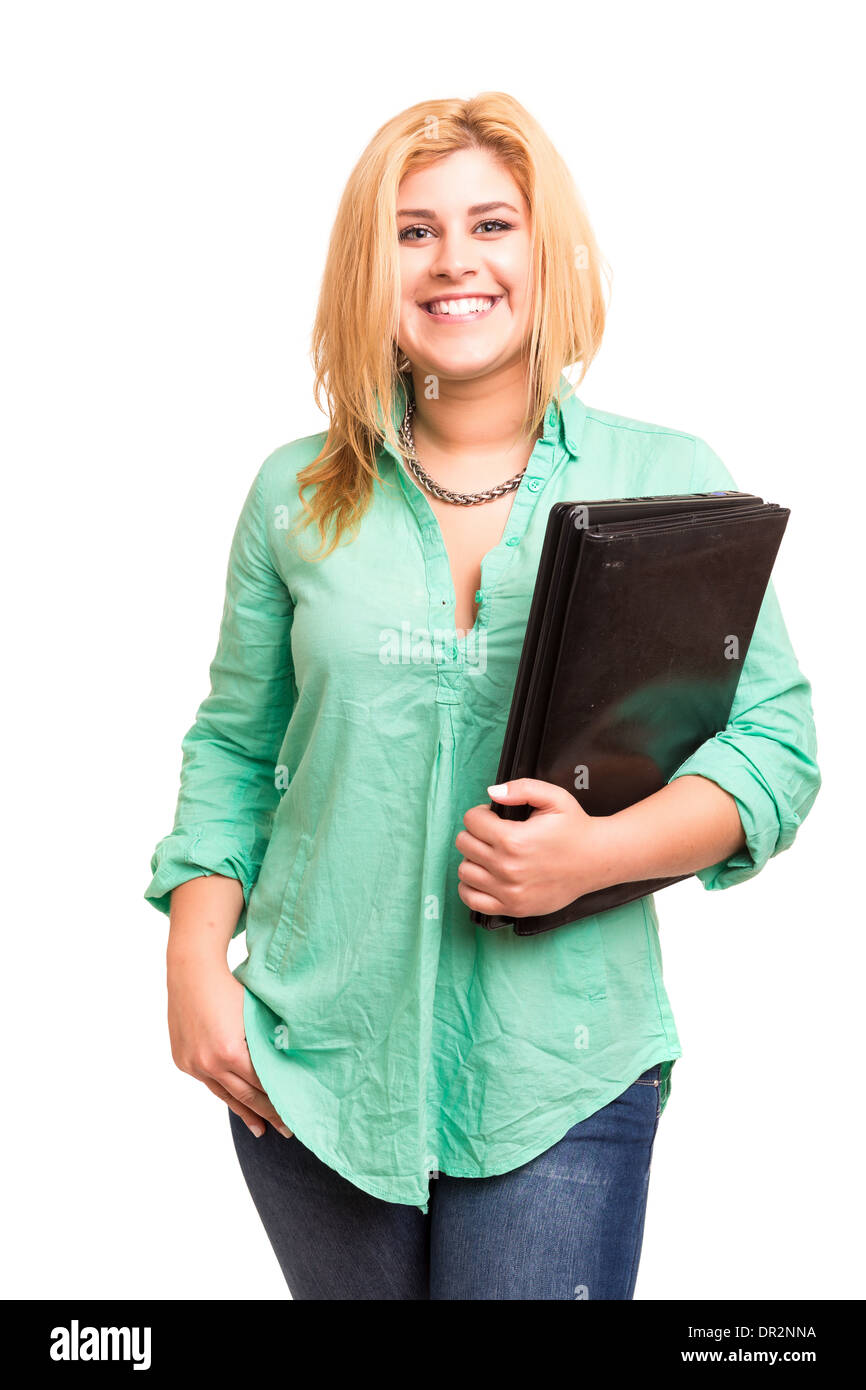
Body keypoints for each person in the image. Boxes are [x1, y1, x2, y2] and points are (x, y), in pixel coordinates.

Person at [145, 92, 821, 1300]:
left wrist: (599, 853)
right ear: (371, 267)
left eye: (490, 225)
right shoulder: (292, 494)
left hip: (556, 1066)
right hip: (312, 1071)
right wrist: (195, 961)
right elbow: (236, 746)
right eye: (413, 232)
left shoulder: (663, 478)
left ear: (542, 252)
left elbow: (773, 743)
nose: (454, 261)